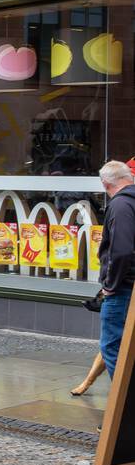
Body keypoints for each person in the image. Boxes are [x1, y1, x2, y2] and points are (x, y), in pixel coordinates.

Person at [98, 159, 135, 377]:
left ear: (105, 184)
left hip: (123, 288)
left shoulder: (121, 205)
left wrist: (109, 286)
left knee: (113, 348)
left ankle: (123, 408)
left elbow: (120, 251)